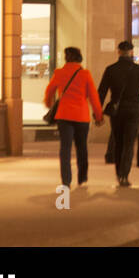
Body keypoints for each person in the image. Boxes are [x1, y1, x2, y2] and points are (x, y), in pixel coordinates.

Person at [44, 47, 104, 188]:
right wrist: (98, 115)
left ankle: (66, 180)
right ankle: (82, 178)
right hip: (82, 117)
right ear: (79, 58)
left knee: (65, 148)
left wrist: (49, 104)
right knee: (82, 147)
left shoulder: (59, 73)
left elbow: (49, 91)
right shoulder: (85, 74)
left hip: (64, 116)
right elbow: (94, 97)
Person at [97, 41, 139, 188]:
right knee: (129, 144)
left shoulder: (110, 69)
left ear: (118, 52)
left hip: (117, 111)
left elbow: (101, 92)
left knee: (118, 142)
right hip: (134, 110)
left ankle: (118, 173)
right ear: (132, 52)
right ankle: (124, 175)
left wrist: (98, 113)